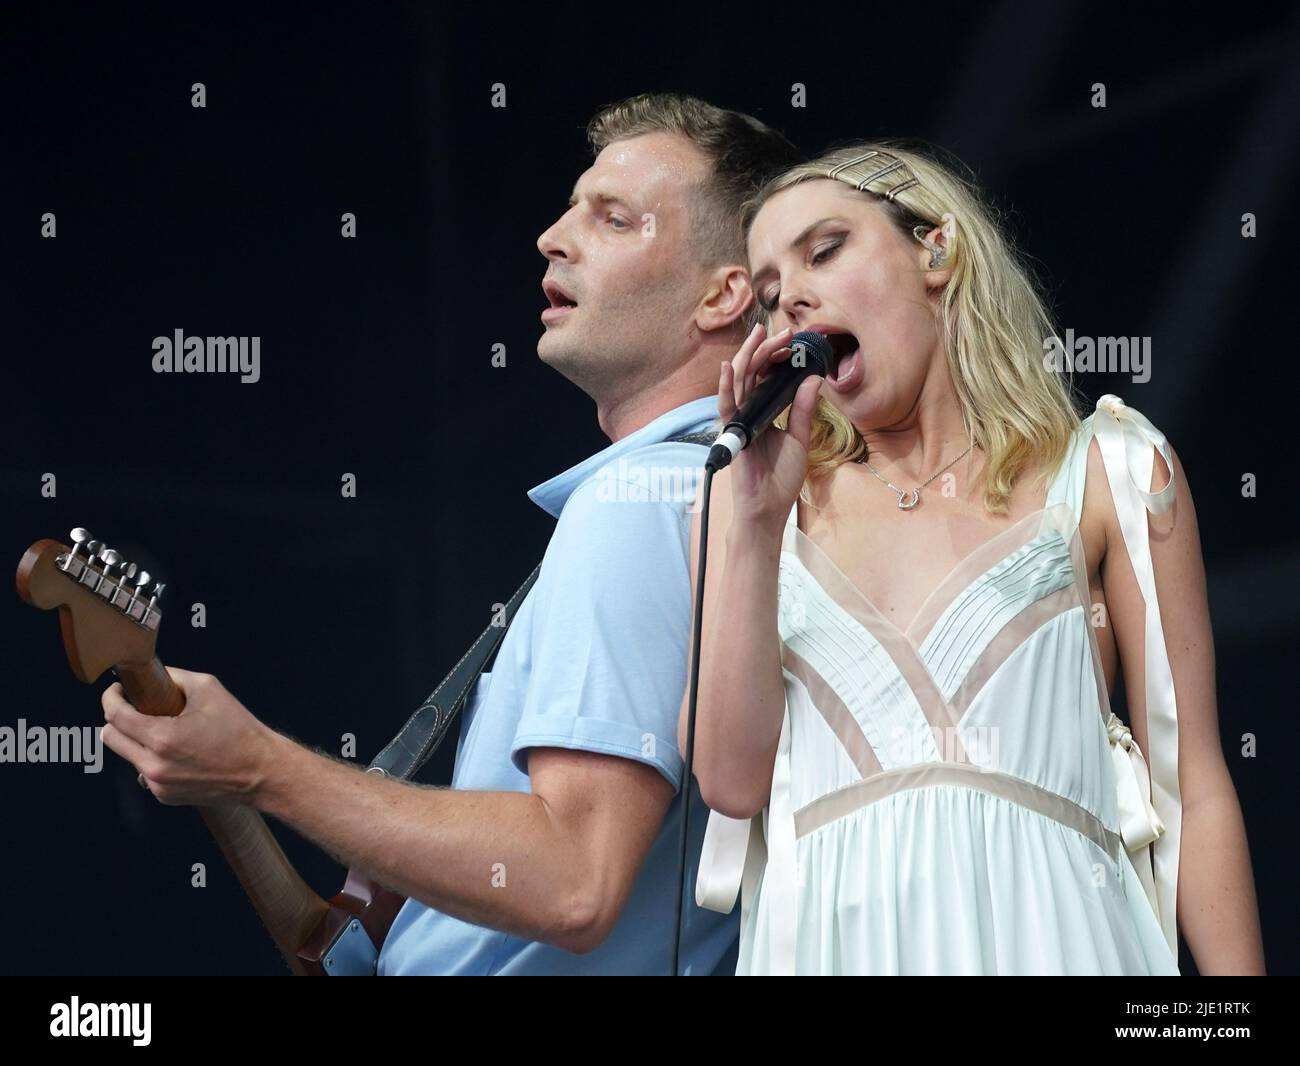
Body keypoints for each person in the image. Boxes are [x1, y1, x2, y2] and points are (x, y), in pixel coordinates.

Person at [98, 93, 802, 975]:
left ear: (723, 295)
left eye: (613, 218)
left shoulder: (639, 498)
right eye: (570, 205)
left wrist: (259, 766)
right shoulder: (722, 495)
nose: (552, 236)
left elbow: (574, 880)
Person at [683, 141, 1266, 975]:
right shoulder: (748, 504)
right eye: (772, 297)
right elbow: (728, 783)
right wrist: (752, 518)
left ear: (937, 250)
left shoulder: (1111, 472)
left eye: (825, 250)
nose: (792, 301)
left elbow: (1194, 786)